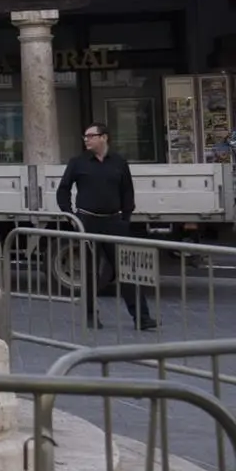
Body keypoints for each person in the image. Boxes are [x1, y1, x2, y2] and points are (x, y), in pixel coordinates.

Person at [57, 123, 157, 331]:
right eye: (85, 136)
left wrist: (125, 218)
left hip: (114, 222)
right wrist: (72, 217)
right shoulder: (78, 163)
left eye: (90, 136)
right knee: (89, 272)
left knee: (128, 271)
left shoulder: (119, 162)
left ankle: (142, 317)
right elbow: (63, 190)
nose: (86, 140)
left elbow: (127, 191)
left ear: (104, 138)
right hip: (88, 222)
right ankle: (91, 316)